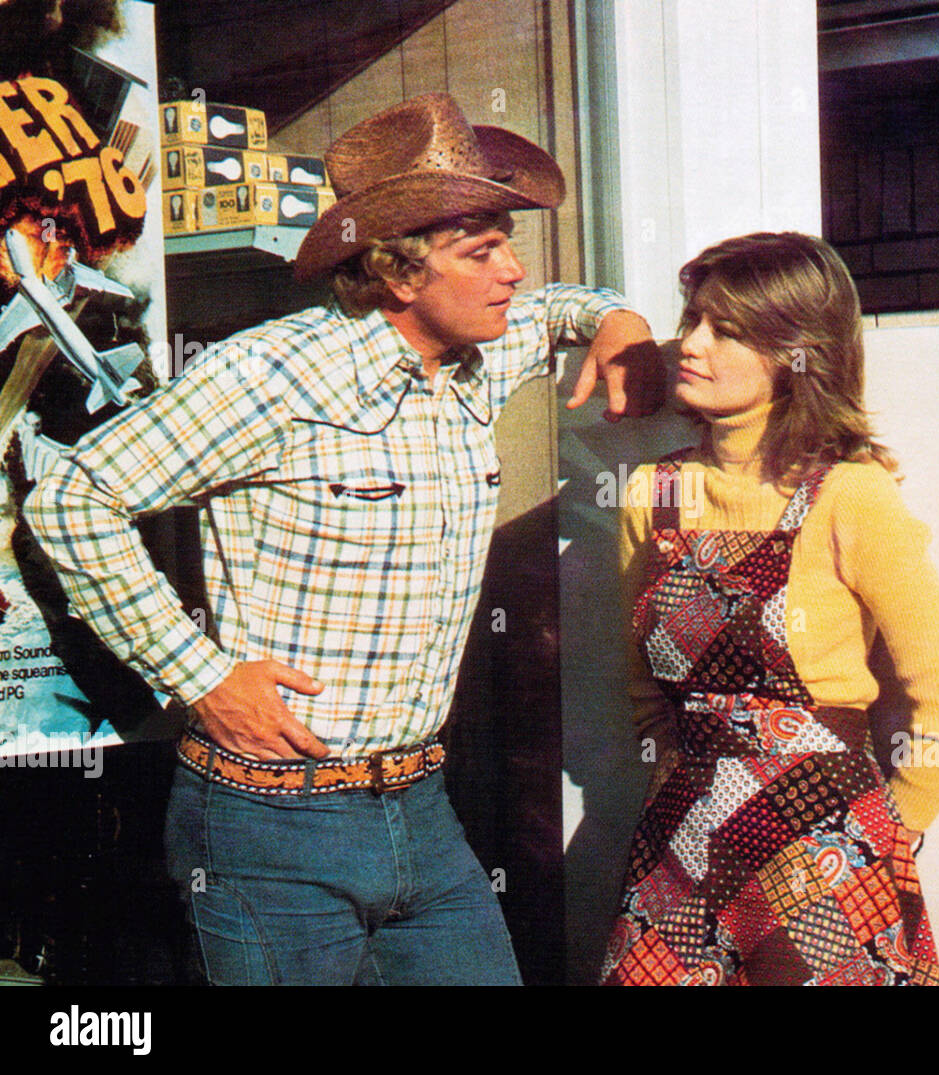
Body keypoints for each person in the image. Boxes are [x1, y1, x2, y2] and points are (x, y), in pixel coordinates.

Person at [25, 92, 661, 986]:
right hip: (268, 827)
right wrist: (198, 674)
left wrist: (616, 319)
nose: (513, 271)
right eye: (483, 252)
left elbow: (560, 306)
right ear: (401, 275)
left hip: (425, 813)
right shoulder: (274, 373)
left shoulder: (472, 356)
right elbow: (72, 497)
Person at [600, 232, 939, 986]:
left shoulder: (852, 494)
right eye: (693, 319)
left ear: (797, 354)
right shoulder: (652, 492)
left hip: (822, 859)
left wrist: (877, 845)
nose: (692, 343)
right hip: (680, 849)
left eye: (729, 331)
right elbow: (645, 695)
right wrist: (681, 803)